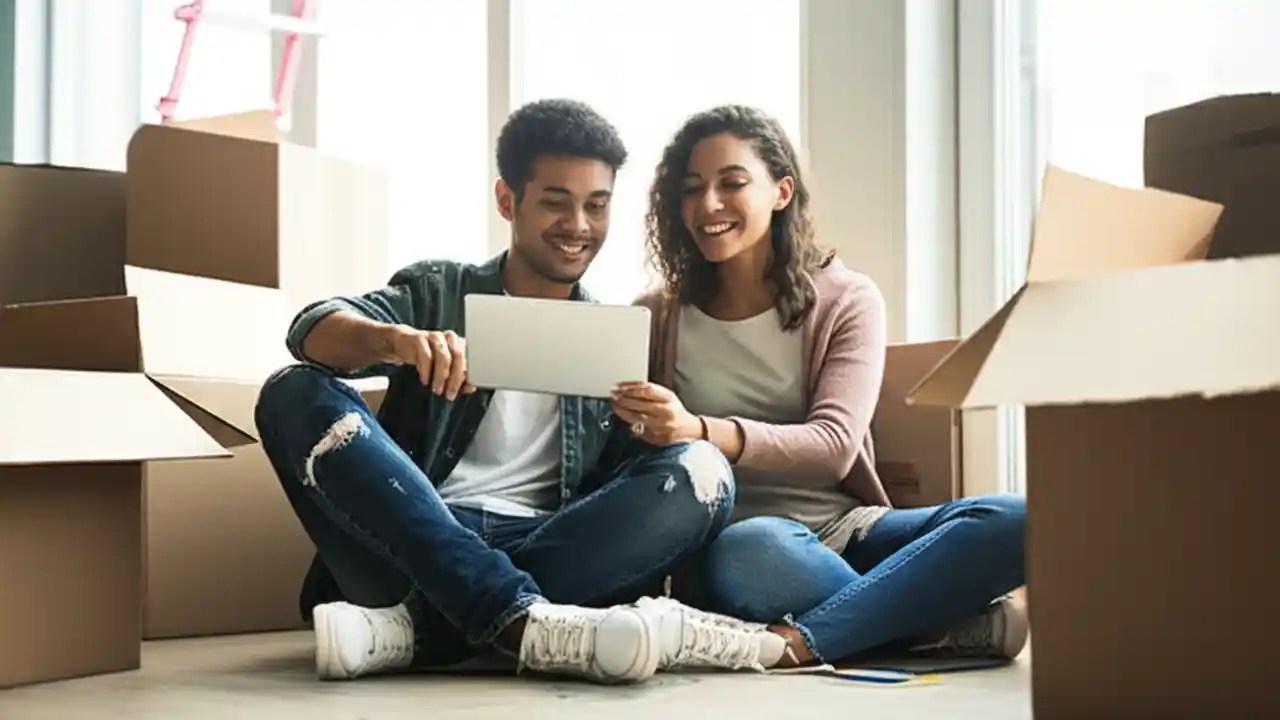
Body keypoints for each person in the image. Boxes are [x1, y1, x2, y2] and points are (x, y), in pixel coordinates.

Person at [254, 99, 782, 685]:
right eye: (556, 203)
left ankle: (419, 631)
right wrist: (398, 341)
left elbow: (624, 492)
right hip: (411, 538)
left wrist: (659, 427)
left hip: (543, 547)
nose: (579, 226)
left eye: (596, 206)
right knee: (292, 390)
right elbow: (311, 329)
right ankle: (516, 621)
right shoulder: (440, 290)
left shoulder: (613, 333)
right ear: (508, 201)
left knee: (704, 470)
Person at [611, 104, 1029, 669]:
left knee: (1023, 519)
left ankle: (802, 640)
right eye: (691, 189)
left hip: (846, 530)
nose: (708, 204)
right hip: (739, 546)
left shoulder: (846, 298)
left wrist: (700, 429)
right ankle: (929, 619)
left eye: (732, 183)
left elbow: (833, 448)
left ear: (781, 191)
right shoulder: (658, 314)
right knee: (756, 551)